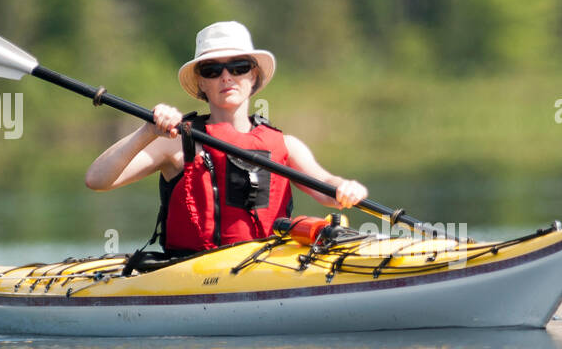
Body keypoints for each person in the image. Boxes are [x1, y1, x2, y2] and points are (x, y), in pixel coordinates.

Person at [85, 20, 367, 255]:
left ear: (253, 75)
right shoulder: (176, 143)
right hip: (191, 273)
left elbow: (326, 189)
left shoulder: (286, 146)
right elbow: (97, 179)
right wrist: (147, 131)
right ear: (201, 83)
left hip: (267, 266)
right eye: (212, 70)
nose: (226, 77)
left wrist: (346, 187)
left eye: (238, 67)